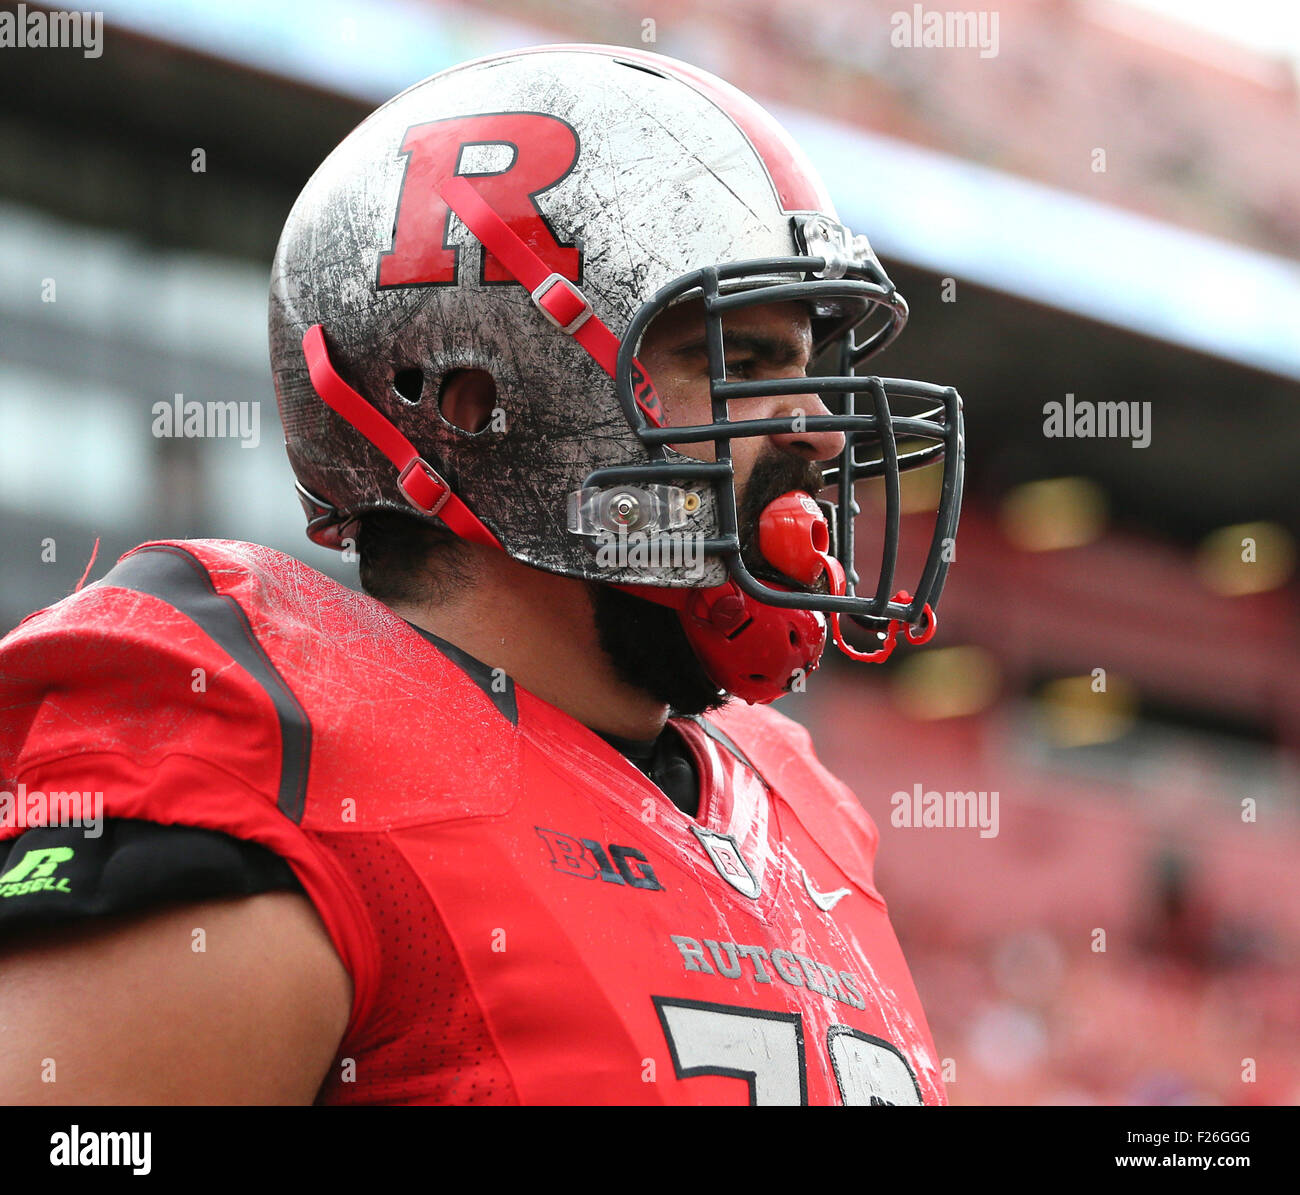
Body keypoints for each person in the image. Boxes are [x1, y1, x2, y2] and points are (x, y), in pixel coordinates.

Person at [0, 43, 963, 1105]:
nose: (821, 432)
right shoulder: (270, 751)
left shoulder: (803, 808)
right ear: (475, 402)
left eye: (816, 371)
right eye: (745, 363)